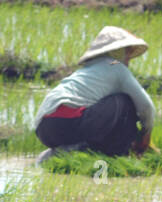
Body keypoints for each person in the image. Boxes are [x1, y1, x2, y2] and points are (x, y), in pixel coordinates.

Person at [34, 26, 155, 160]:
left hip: (44, 128)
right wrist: (145, 134)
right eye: (126, 53)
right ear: (116, 52)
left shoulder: (89, 69)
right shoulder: (116, 66)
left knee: (117, 109)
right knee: (124, 102)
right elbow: (146, 107)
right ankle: (110, 152)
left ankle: (64, 150)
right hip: (67, 121)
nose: (128, 60)